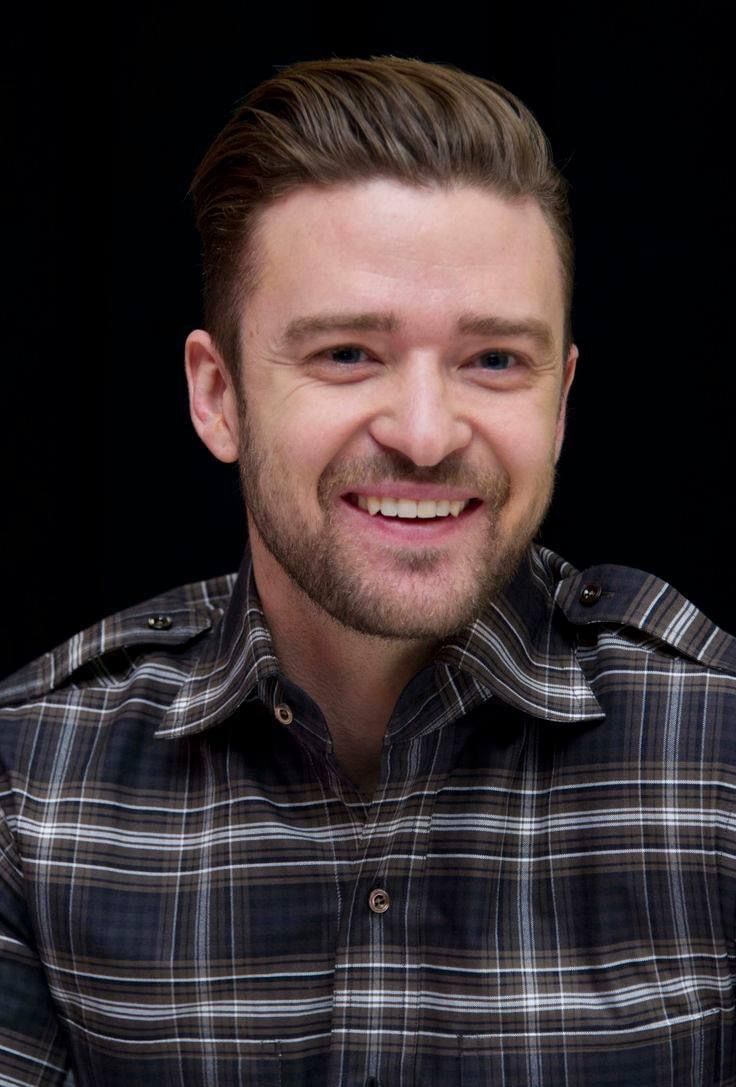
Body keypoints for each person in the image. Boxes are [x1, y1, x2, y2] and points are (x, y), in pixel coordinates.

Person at [1, 55, 734, 1087]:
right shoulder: (33, 785)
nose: (426, 435)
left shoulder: (716, 759)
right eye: (347, 353)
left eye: (493, 360)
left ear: (559, 403)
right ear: (216, 397)